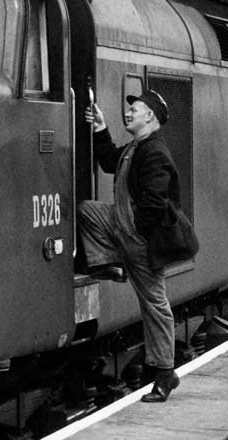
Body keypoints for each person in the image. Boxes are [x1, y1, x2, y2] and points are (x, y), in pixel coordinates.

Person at [77, 90, 183, 402]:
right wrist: (100, 127)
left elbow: (155, 204)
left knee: (154, 304)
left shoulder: (154, 153)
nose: (129, 113)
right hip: (124, 229)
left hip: (140, 241)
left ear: (149, 116)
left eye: (134, 109)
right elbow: (109, 161)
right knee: (88, 211)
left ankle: (165, 374)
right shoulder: (136, 148)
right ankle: (109, 263)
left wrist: (135, 235)